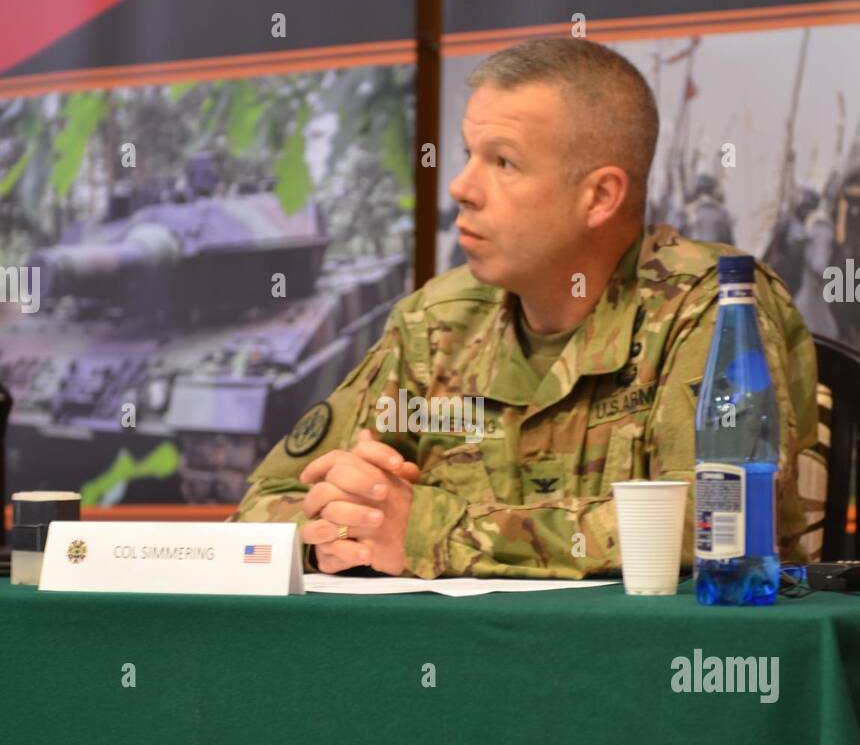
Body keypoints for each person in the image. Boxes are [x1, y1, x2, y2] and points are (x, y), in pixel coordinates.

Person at [229, 38, 818, 579]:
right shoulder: (436, 321)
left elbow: (716, 522)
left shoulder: (709, 306)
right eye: (467, 154)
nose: (460, 186)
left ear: (600, 196)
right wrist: (344, 523)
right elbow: (262, 506)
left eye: (503, 162)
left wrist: (431, 531)